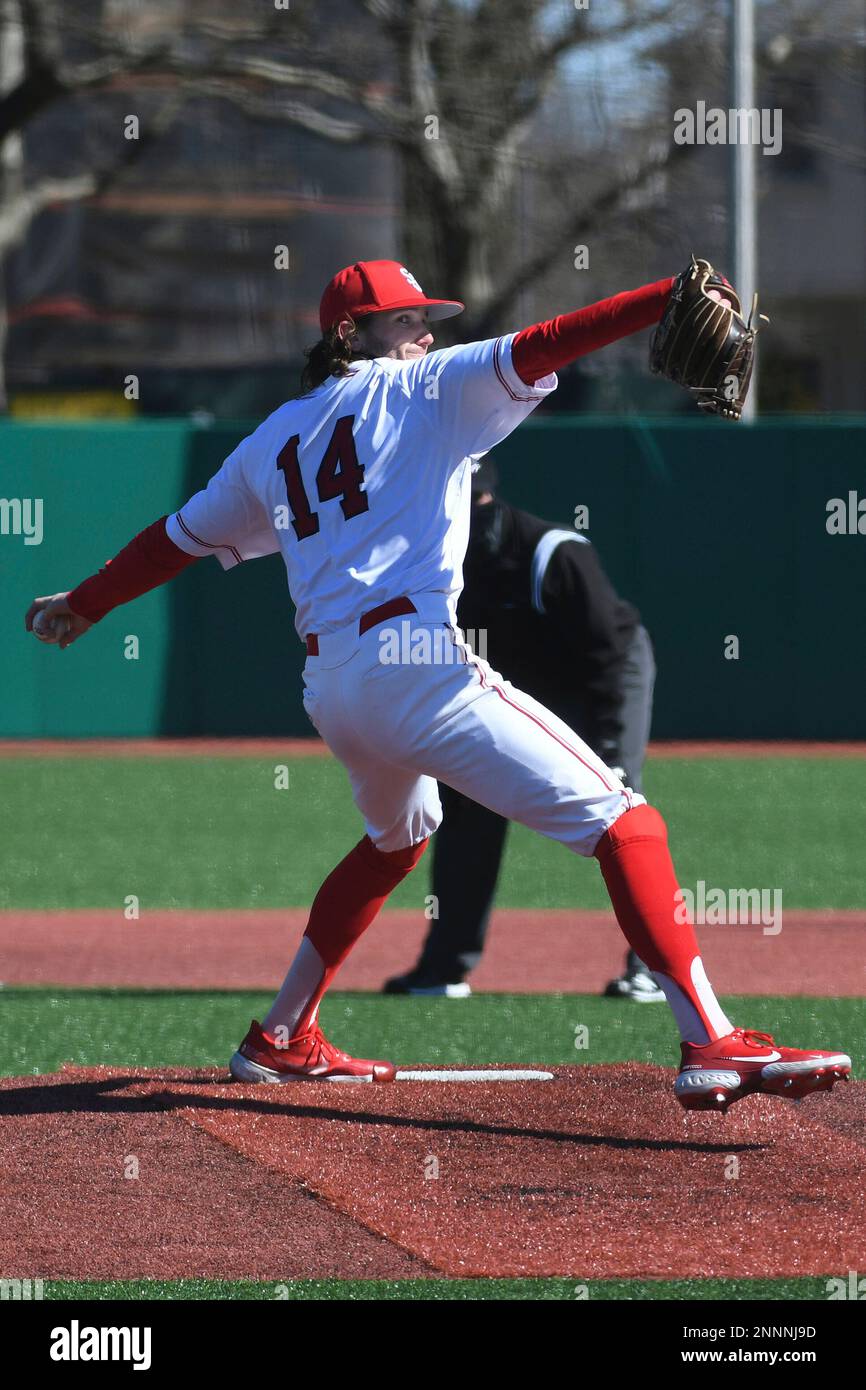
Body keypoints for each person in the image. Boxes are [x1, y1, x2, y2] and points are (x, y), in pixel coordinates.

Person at [25, 258, 850, 1113]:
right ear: (348, 333)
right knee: (629, 822)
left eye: (429, 318)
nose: (425, 331)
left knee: (399, 836)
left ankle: (280, 1037)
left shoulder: (269, 439)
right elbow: (544, 342)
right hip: (414, 667)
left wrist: (86, 604)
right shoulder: (421, 386)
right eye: (404, 318)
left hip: (332, 684)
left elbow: (174, 539)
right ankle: (712, 1038)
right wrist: (660, 299)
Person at [383, 451, 663, 1001]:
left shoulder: (552, 554)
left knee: (618, 804)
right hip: (515, 683)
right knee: (466, 804)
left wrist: (607, 747)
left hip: (599, 673)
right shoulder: (432, 559)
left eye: (475, 499)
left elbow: (608, 652)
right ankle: (445, 966)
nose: (468, 511)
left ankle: (653, 968)